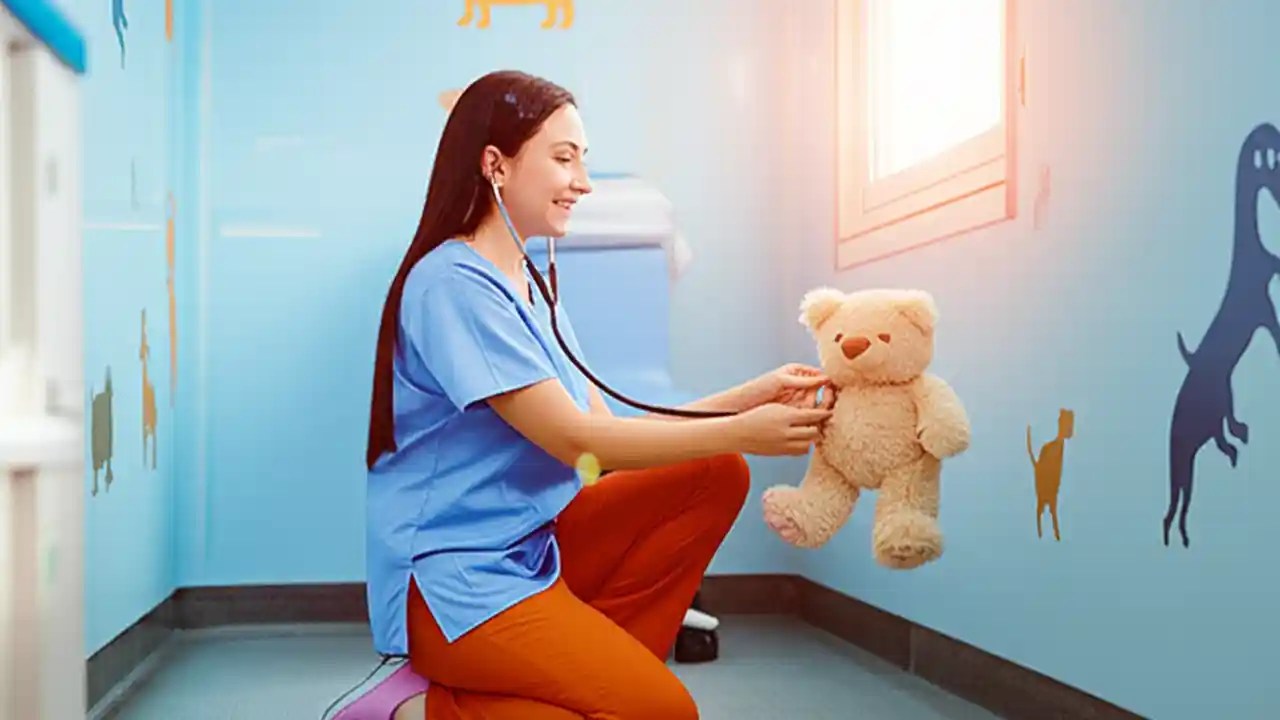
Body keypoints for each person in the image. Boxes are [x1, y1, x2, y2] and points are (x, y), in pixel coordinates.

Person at [335, 70, 834, 720]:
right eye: (564, 158)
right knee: (664, 713)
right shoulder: (451, 284)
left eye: (584, 161)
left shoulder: (531, 284)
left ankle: (584, 684)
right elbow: (577, 445)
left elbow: (607, 437)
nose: (584, 182)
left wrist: (749, 398)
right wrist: (747, 428)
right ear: (496, 166)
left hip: (534, 548)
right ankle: (410, 714)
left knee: (714, 474)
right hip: (455, 583)